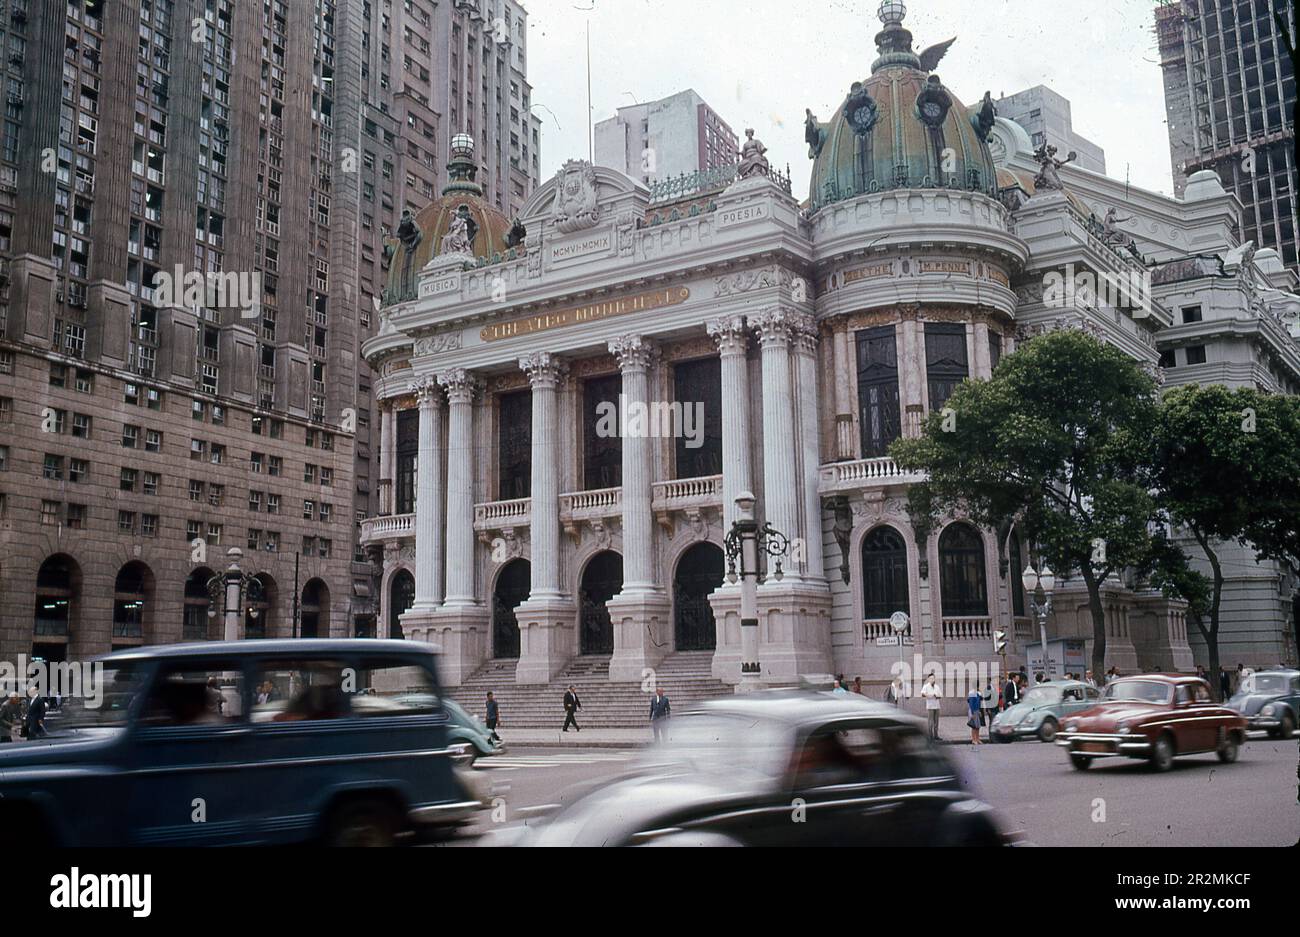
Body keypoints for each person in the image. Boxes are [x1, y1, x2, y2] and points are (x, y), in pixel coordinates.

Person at [920, 672, 942, 741]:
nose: (932, 679)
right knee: (930, 722)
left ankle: (936, 735)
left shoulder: (937, 686)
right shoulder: (926, 686)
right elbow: (922, 694)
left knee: (936, 722)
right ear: (928, 679)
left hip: (937, 706)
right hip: (930, 706)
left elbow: (940, 695)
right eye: (931, 678)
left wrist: (937, 696)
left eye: (933, 678)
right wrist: (928, 695)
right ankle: (930, 736)